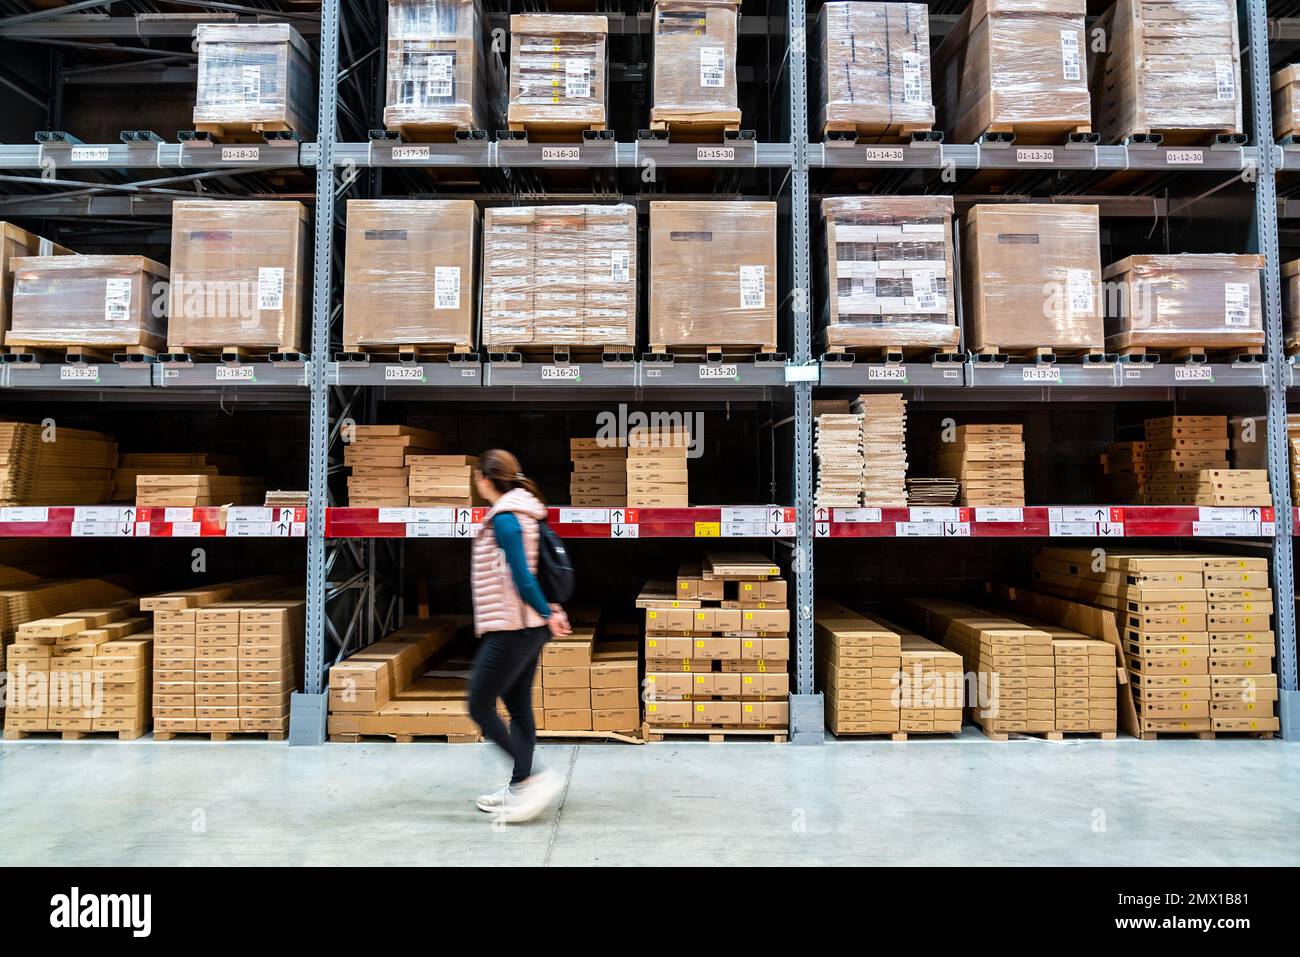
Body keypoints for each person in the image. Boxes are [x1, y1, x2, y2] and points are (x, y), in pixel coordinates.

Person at [468, 448, 572, 823]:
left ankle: (535, 779)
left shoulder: (507, 519)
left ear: (486, 479)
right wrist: (549, 613)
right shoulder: (522, 511)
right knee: (518, 707)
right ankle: (519, 785)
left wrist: (546, 612)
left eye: (477, 474)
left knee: (478, 704)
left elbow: (522, 577)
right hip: (527, 626)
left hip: (514, 627)